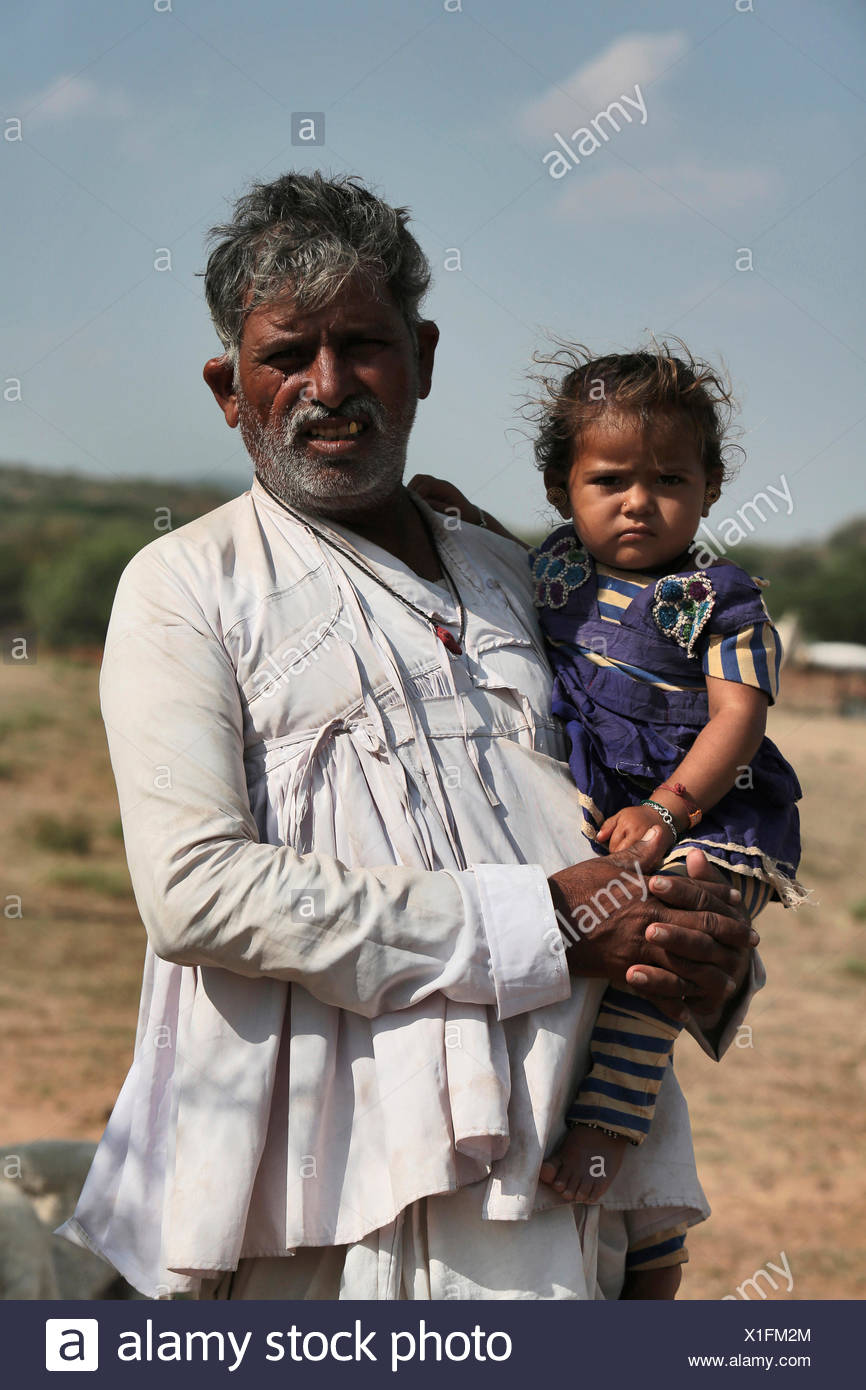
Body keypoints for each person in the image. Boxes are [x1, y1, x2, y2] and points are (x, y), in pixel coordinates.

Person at [58, 175, 761, 1302]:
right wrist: (543, 918)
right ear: (227, 389)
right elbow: (195, 891)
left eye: (364, 346)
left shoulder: (519, 576)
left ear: (422, 359)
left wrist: (695, 942)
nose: (328, 389)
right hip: (315, 1199)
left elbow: (637, 794)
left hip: (553, 1179)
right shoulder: (186, 585)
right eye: (288, 354)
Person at [411, 340, 804, 1266]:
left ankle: (612, 1141)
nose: (639, 501)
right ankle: (647, 1239)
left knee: (653, 960)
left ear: (710, 487)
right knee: (591, 960)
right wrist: (463, 519)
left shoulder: (722, 601)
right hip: (618, 814)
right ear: (561, 489)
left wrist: (669, 811)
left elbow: (738, 719)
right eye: (610, 480)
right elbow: (503, 562)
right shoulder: (550, 568)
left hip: (712, 817)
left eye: (670, 478)